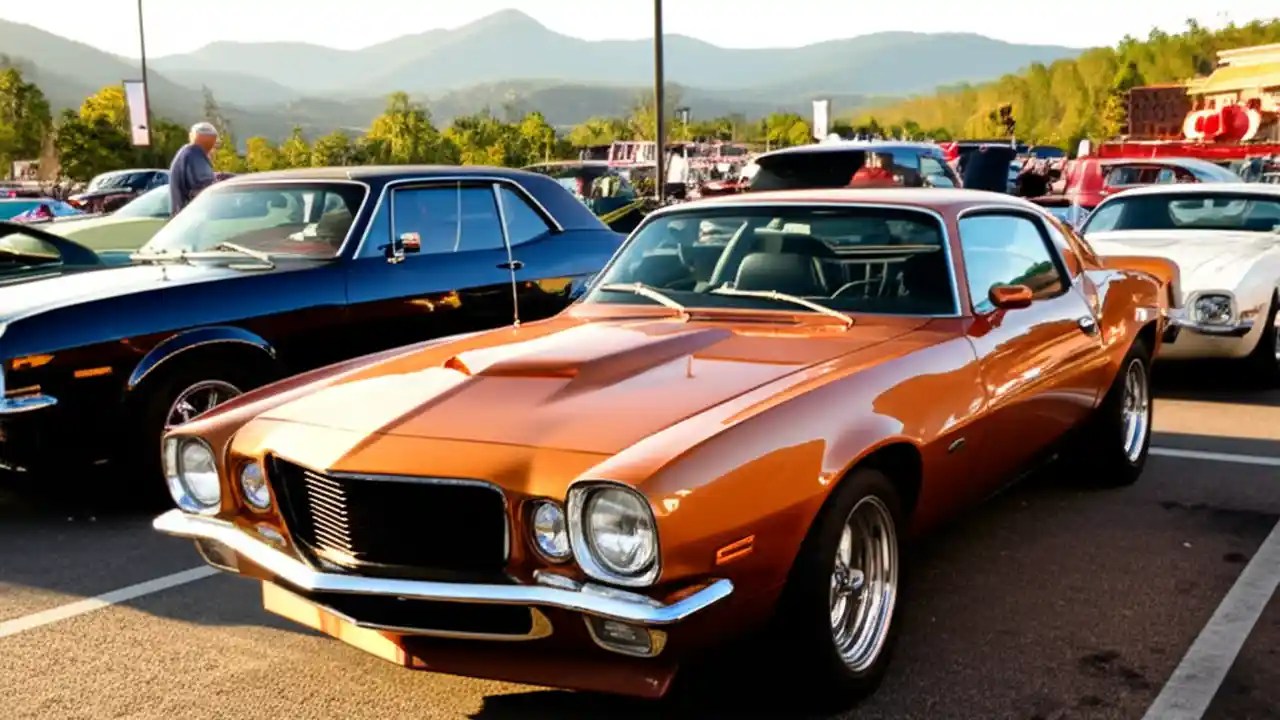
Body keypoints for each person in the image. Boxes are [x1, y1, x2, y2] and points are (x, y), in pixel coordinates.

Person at [168, 122, 219, 216]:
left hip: (183, 217)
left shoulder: (188, 154)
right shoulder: (195, 154)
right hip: (190, 217)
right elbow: (204, 187)